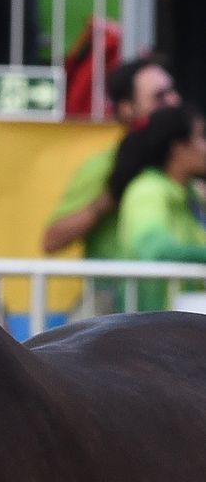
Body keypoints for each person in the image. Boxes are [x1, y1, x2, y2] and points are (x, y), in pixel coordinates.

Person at [42, 58, 181, 311]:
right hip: (114, 313)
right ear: (127, 109)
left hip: (172, 308)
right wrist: (107, 201)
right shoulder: (102, 166)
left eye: (173, 91)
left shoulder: (186, 165)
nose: (173, 102)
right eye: (159, 96)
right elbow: (52, 240)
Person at [108, 104, 206, 311]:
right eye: (201, 137)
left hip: (185, 326)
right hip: (151, 331)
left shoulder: (192, 194)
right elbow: (155, 249)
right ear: (178, 147)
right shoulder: (147, 191)